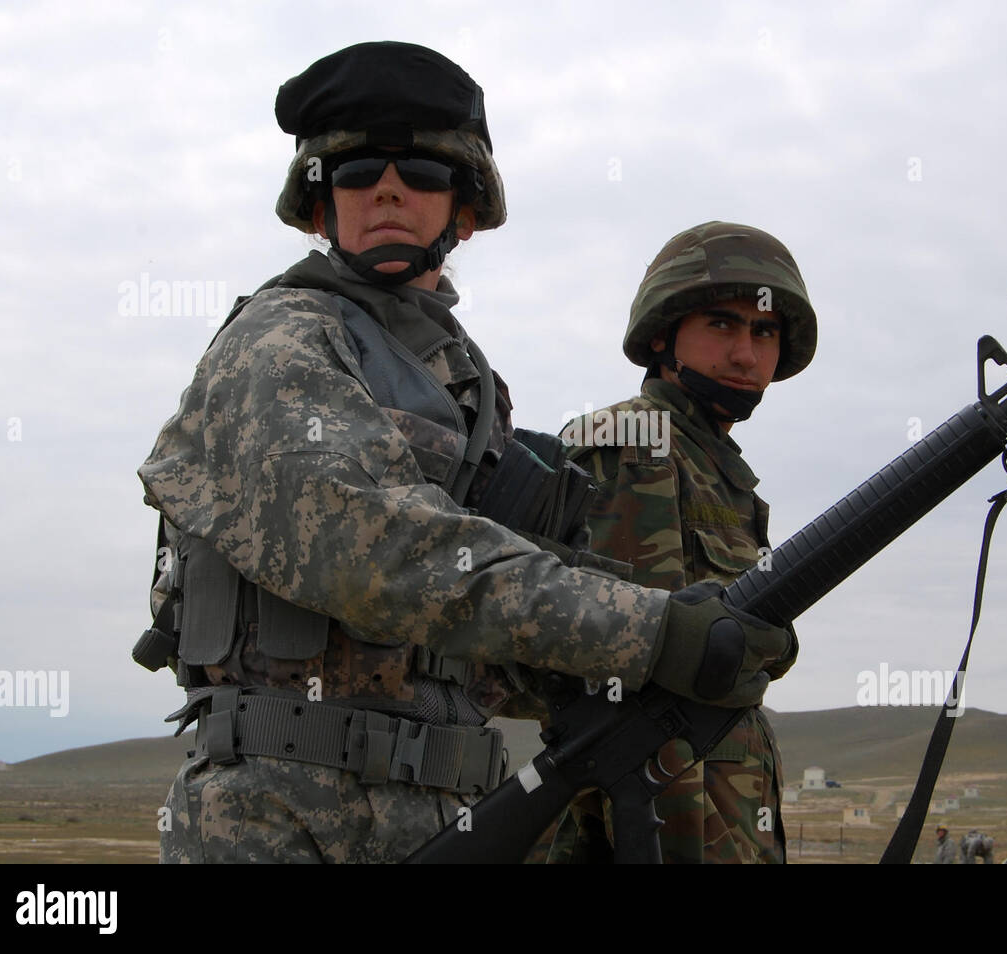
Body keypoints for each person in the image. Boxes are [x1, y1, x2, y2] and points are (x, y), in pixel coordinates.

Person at [134, 43, 792, 864]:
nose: (387, 189)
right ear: (315, 207)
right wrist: (653, 631)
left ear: (466, 212)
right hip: (281, 817)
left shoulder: (470, 389)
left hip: (454, 815)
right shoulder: (280, 342)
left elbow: (512, 620)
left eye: (422, 174)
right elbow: (376, 552)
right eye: (356, 170)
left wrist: (701, 640)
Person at [546, 221, 817, 864]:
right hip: (672, 811)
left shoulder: (716, 468)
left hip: (717, 798)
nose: (747, 354)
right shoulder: (635, 445)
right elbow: (630, 677)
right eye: (722, 325)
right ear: (663, 336)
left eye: (765, 332)